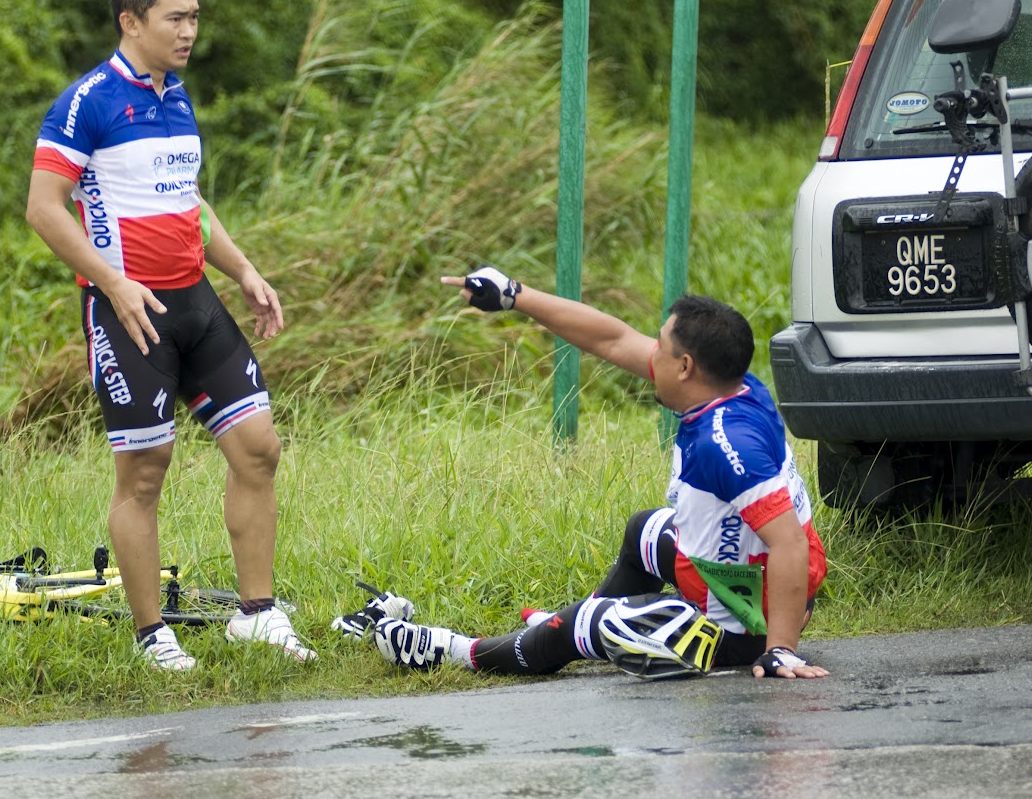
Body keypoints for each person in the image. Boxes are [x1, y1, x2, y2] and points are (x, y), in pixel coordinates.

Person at [26, 0, 313, 671]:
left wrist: (242, 267)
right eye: (175, 18)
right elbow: (43, 209)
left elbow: (187, 201)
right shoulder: (87, 100)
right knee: (145, 472)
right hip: (129, 313)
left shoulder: (176, 96)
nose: (190, 31)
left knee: (258, 447)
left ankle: (257, 614)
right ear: (132, 21)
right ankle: (152, 633)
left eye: (194, 17)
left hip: (195, 300)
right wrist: (114, 284)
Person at [335, 267, 827, 681]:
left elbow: (788, 543)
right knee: (644, 532)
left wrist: (779, 649)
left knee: (588, 626)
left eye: (658, 346)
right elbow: (610, 338)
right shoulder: (730, 388)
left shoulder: (728, 445)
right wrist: (514, 295)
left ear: (685, 366)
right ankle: (562, 626)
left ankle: (461, 651)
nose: (647, 353)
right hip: (738, 571)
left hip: (742, 624)